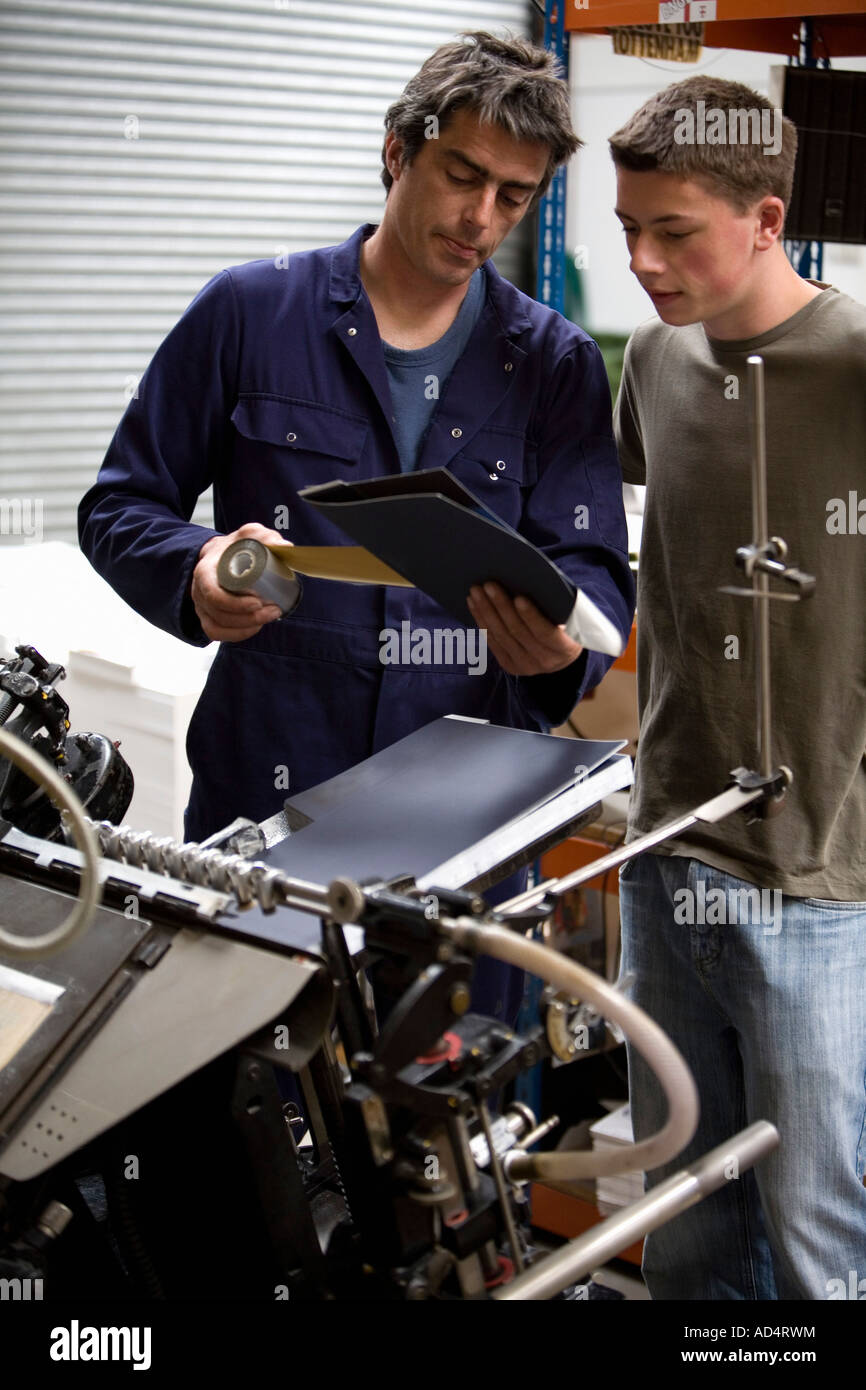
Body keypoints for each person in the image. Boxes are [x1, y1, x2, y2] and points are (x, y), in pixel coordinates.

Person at [78, 32, 634, 1018]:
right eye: (461, 175)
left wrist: (563, 653)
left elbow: (590, 566)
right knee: (257, 1083)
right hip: (271, 804)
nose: (482, 218)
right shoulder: (250, 312)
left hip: (468, 822)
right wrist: (196, 569)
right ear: (396, 150)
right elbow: (118, 505)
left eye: (514, 197)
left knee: (448, 1095)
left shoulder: (553, 363)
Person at [610, 75, 866, 1300]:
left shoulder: (855, 365)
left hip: (815, 880)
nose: (641, 262)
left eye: (673, 232)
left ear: (766, 220)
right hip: (663, 852)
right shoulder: (653, 361)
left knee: (819, 1245)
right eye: (628, 229)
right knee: (687, 1232)